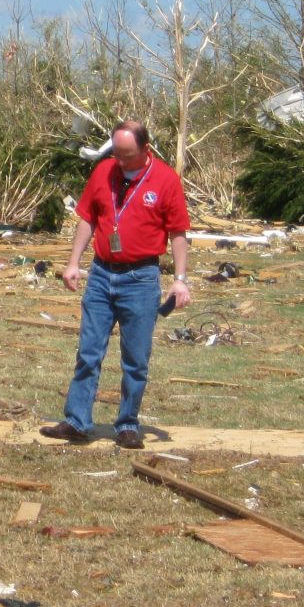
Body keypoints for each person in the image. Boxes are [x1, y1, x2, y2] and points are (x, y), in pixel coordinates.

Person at [41, 120, 191, 450]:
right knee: (89, 351)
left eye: (127, 155)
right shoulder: (104, 173)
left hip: (140, 278)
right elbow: (87, 218)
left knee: (135, 359)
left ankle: (127, 423)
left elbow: (178, 233)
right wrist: (73, 263)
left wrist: (180, 280)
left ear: (145, 150)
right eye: (116, 154)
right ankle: (77, 421)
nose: (120, 161)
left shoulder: (165, 180)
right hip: (101, 275)